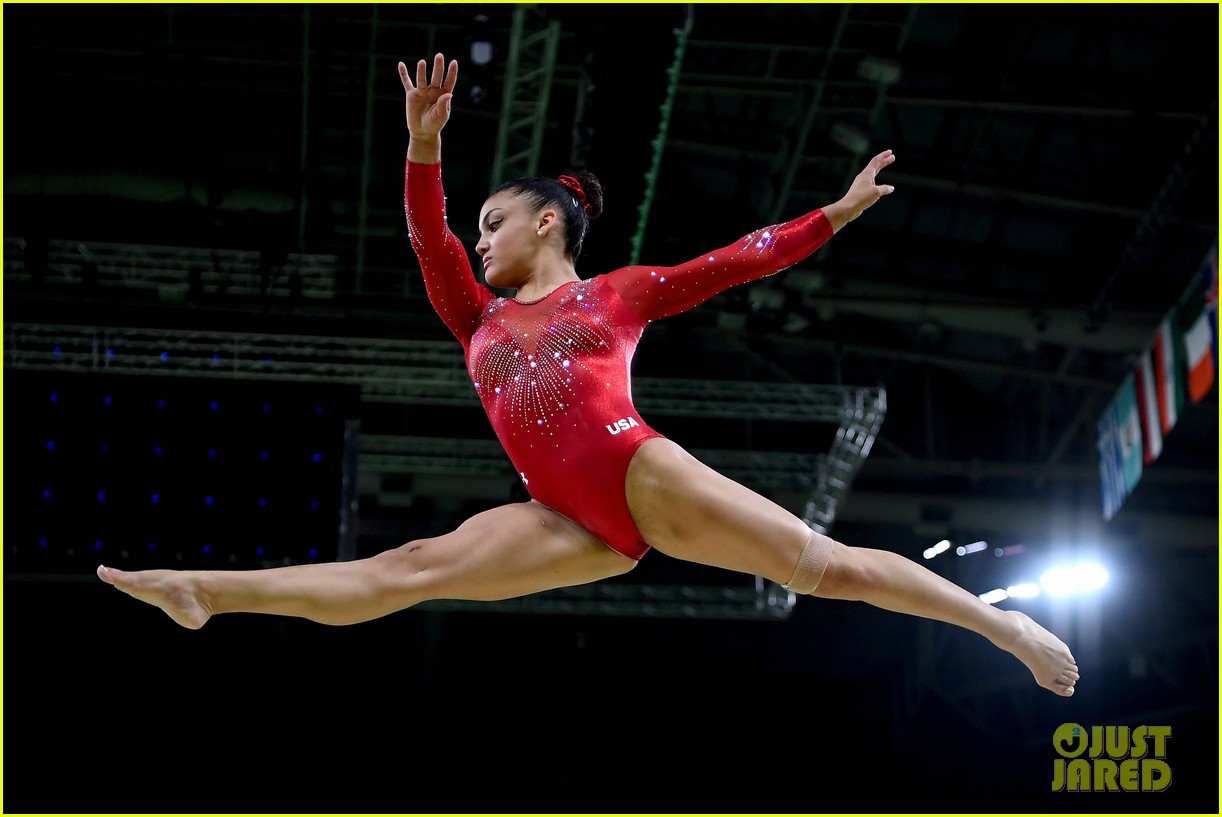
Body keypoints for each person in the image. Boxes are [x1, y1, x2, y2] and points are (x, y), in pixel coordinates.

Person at [98, 52, 1079, 699]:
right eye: (476, 228)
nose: (478, 244)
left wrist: (835, 214)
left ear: (546, 223)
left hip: (636, 468)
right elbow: (426, 236)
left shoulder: (619, 293)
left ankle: (1003, 630)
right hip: (564, 518)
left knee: (834, 571)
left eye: (494, 224)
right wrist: (424, 144)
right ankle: (206, 589)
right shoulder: (469, 314)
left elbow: (735, 260)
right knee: (404, 572)